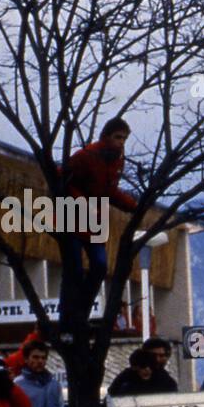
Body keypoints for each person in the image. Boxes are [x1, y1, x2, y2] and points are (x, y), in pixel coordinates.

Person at [62, 117, 139, 302]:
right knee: (75, 270)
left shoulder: (117, 161)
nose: (121, 143)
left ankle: (82, 309)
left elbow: (110, 191)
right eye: (118, 137)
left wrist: (133, 206)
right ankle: (70, 316)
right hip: (73, 217)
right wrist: (83, 204)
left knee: (100, 266)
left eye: (124, 139)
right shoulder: (86, 156)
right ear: (106, 136)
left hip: (96, 220)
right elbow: (63, 182)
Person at [15, 340, 68, 407]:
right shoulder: (17, 385)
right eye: (35, 357)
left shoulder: (54, 385)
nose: (40, 361)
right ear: (26, 359)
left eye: (43, 358)